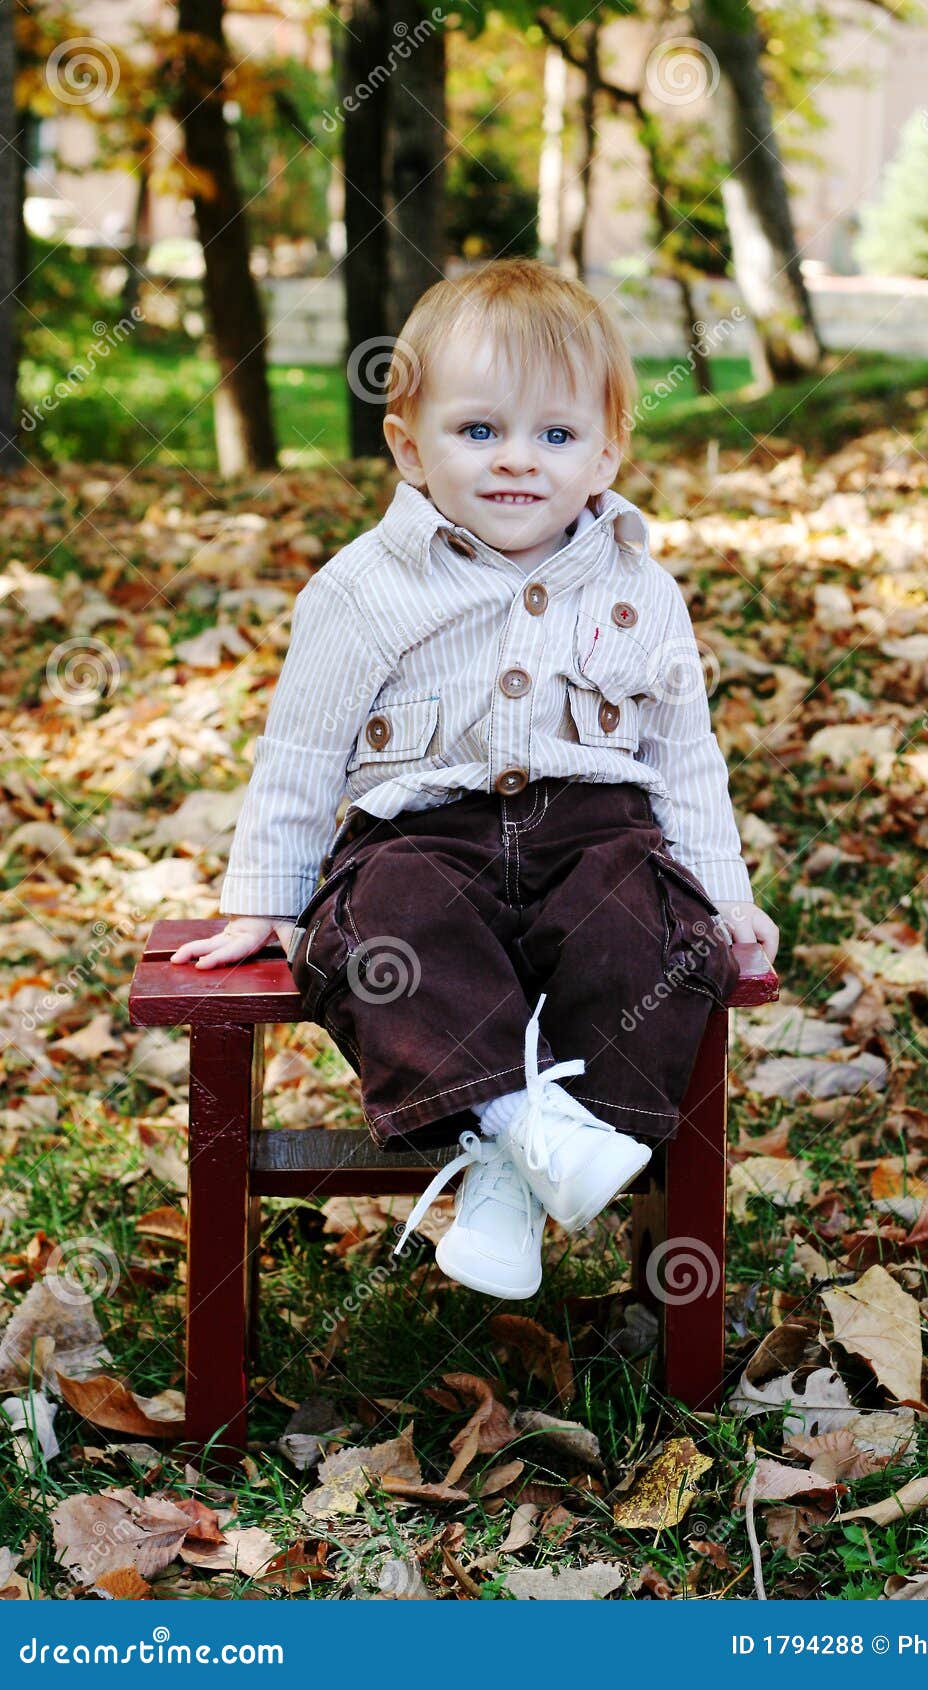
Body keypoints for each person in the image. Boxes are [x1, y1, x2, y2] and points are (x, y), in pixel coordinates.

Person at [171, 257, 779, 1300]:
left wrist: (722, 893)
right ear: (409, 448)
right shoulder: (364, 587)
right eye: (477, 431)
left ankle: (507, 1174)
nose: (516, 463)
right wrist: (265, 903)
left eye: (554, 435)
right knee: (382, 931)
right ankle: (517, 1122)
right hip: (421, 832)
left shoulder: (639, 586)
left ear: (605, 454)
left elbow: (682, 752)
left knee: (656, 937)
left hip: (595, 830)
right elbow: (303, 751)